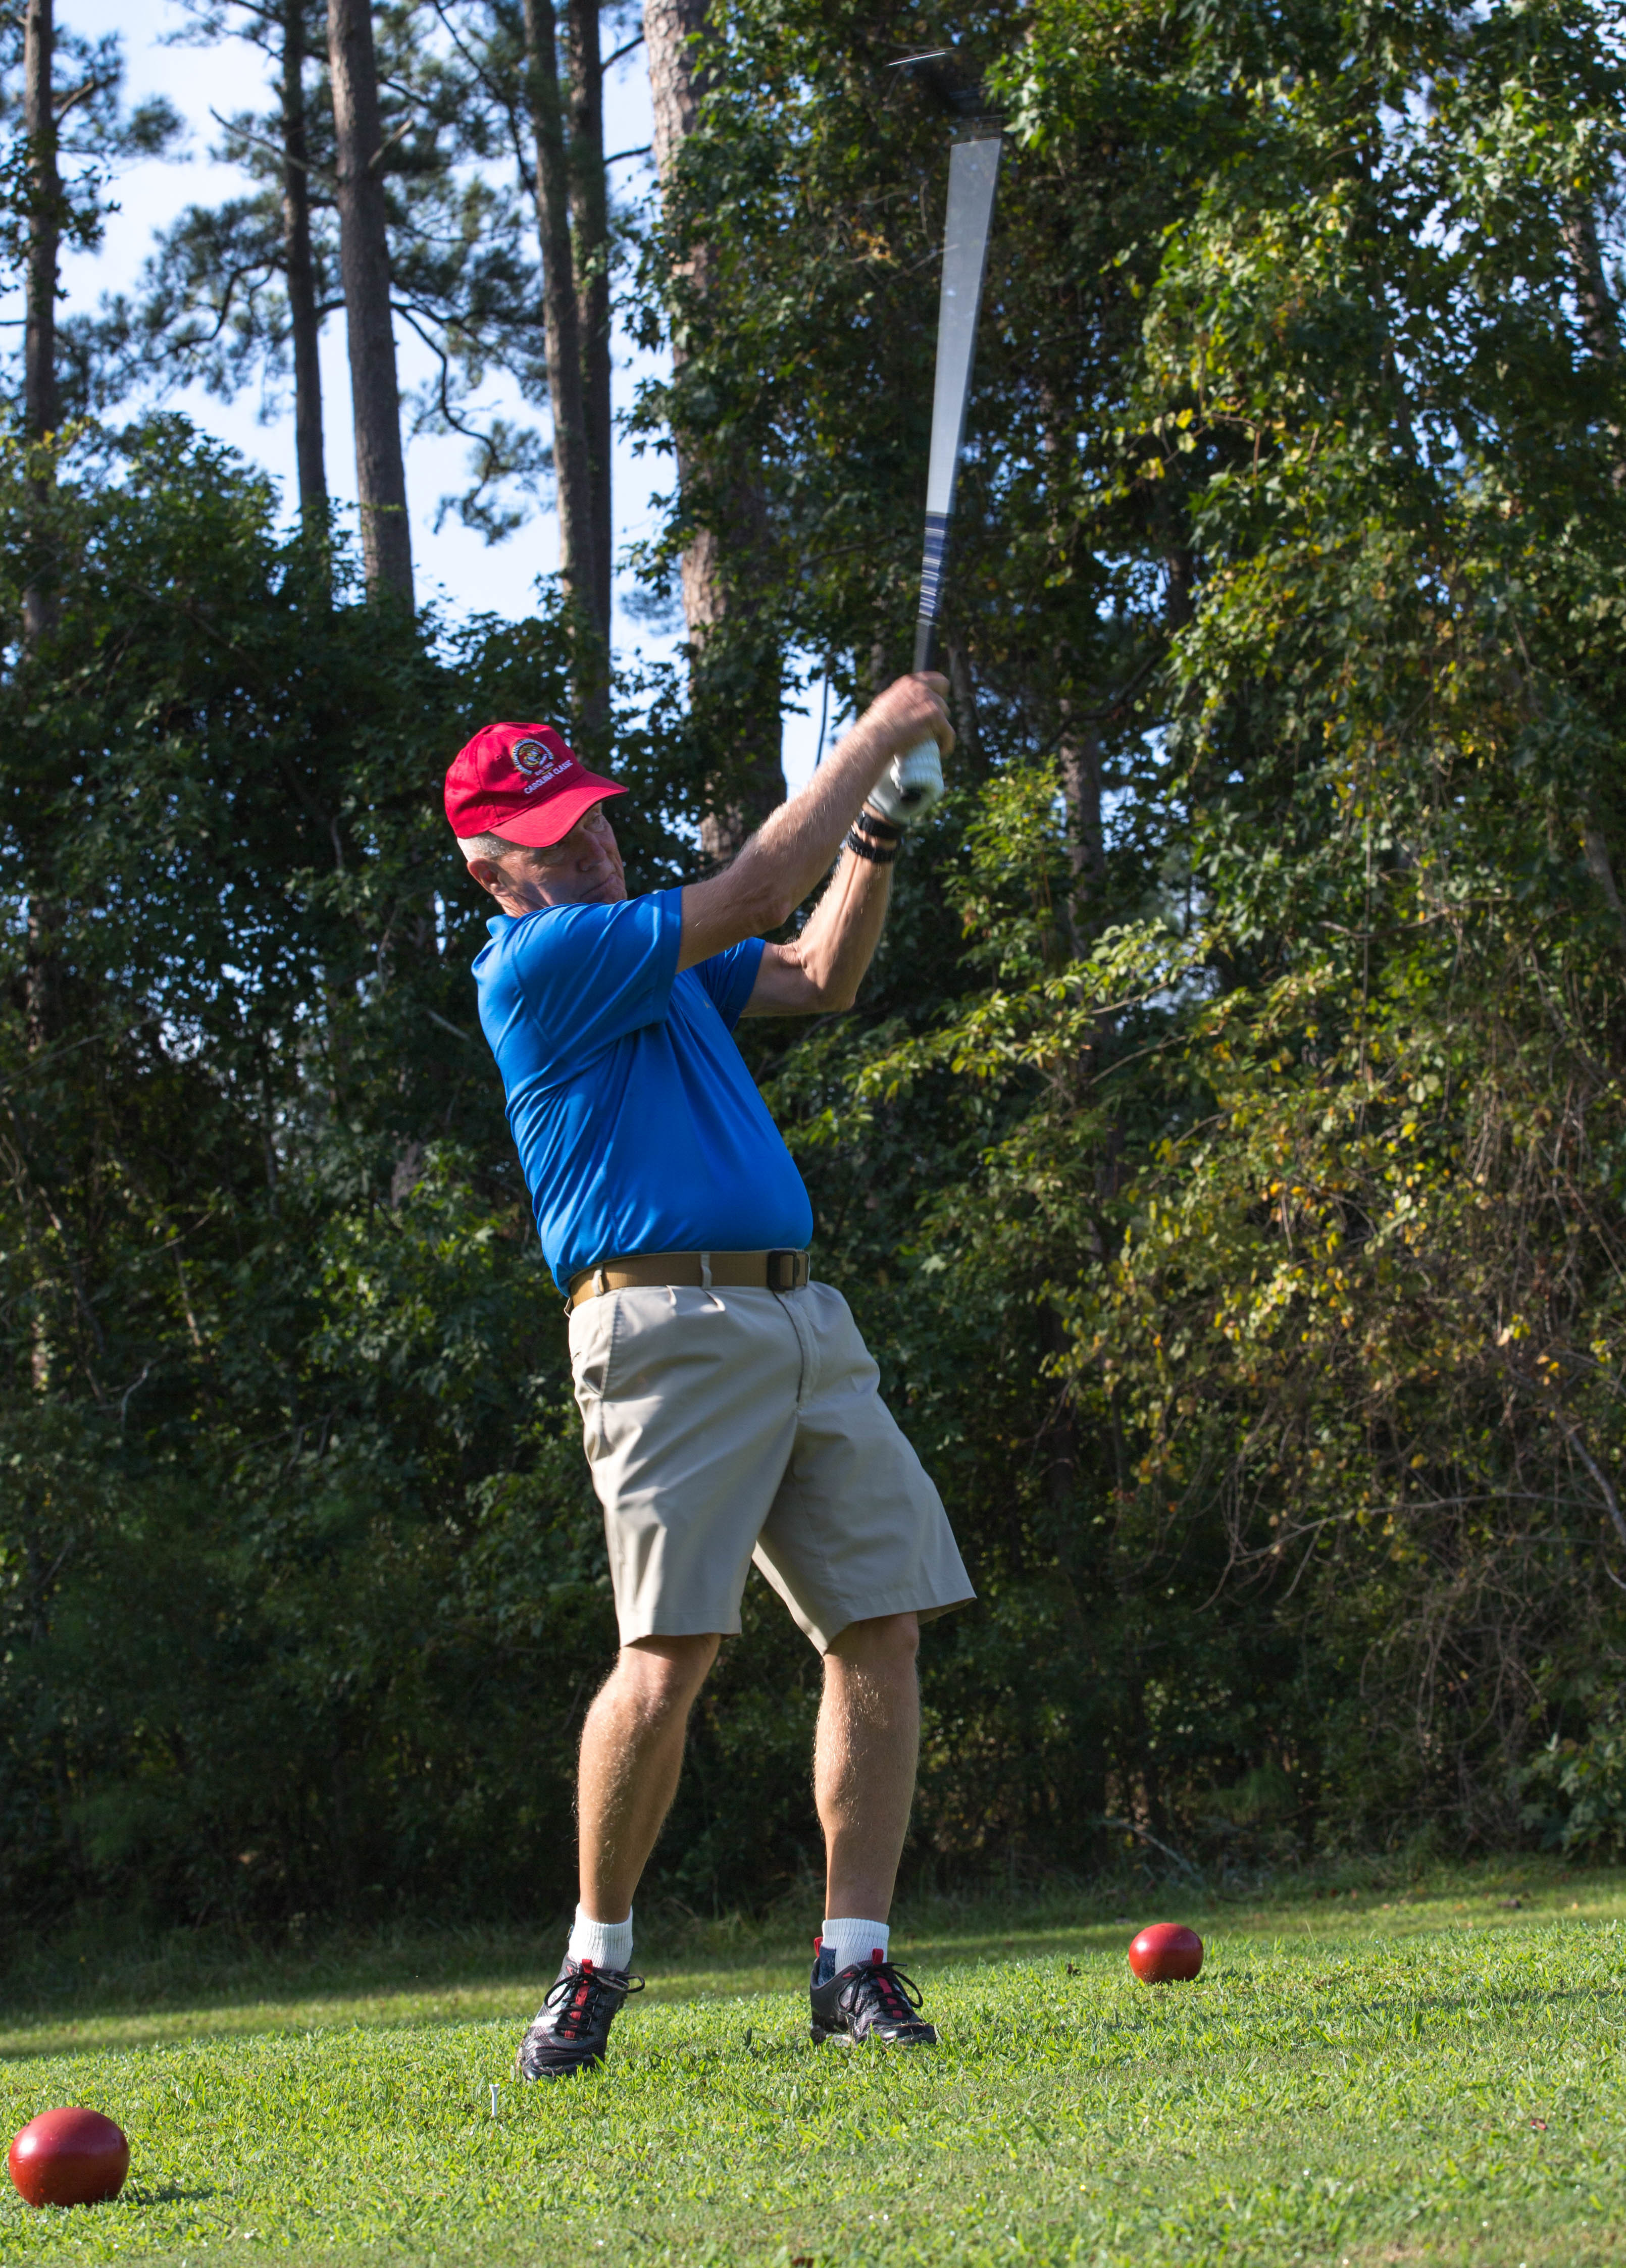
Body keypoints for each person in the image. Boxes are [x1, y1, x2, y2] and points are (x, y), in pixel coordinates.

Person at [443, 673, 975, 2080]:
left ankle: (850, 1960)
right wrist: (868, 742)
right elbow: (748, 890)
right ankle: (593, 1956)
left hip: (802, 1318)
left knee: (881, 1625)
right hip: (660, 1332)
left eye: (596, 824)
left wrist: (875, 838)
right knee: (668, 1654)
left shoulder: (644, 950)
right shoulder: (541, 965)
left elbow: (813, 975)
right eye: (554, 840)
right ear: (492, 870)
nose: (593, 850)